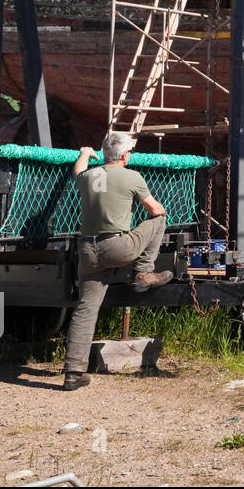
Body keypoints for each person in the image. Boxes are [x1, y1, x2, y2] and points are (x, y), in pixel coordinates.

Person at [62, 132, 172, 390]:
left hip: (88, 250)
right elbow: (155, 210)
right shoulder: (132, 176)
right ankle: (144, 272)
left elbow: (77, 172)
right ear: (125, 156)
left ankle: (72, 372)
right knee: (159, 218)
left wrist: (84, 155)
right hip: (117, 247)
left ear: (104, 154)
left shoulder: (88, 176)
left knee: (86, 308)